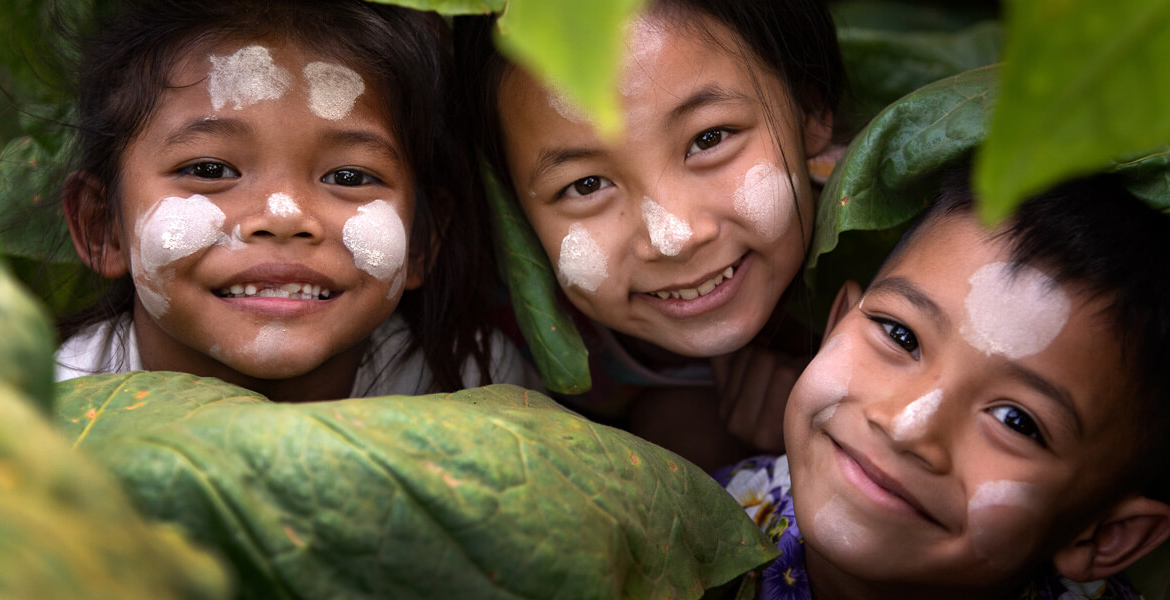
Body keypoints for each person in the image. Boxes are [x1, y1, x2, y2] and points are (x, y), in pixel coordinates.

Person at [716, 164, 1170, 599]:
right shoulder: (713, 513)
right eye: (901, 335)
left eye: (1016, 421)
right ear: (835, 326)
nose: (906, 426)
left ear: (1107, 536)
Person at [54, 0, 533, 400]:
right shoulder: (39, 412)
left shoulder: (472, 384)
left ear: (421, 238)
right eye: (209, 170)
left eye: (348, 175)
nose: (283, 217)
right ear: (104, 227)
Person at [456, 0, 845, 468]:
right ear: (509, 210)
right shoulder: (479, 344)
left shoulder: (906, 252)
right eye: (586, 185)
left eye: (710, 138)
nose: (673, 236)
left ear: (808, 111)